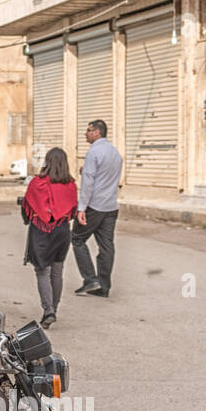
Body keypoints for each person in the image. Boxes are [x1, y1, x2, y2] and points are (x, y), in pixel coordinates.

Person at [20, 147, 78, 329]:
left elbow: (27, 208)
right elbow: (72, 211)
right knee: (57, 271)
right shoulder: (70, 185)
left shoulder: (37, 183)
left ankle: (48, 310)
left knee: (42, 271)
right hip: (62, 231)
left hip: (41, 231)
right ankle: (54, 308)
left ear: (47, 162)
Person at [71, 119, 122, 298]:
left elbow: (88, 183)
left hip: (94, 205)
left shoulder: (94, 152)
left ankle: (90, 279)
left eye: (89, 130)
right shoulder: (115, 152)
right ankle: (104, 286)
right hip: (111, 206)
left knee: (77, 238)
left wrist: (81, 208)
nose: (86, 133)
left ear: (97, 132)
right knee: (106, 245)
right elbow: (106, 177)